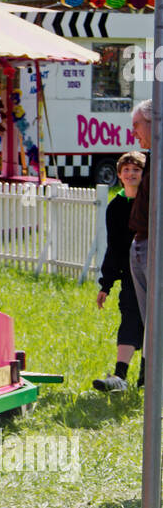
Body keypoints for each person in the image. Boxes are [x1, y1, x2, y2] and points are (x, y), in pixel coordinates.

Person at [93, 151, 145, 391]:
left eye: (136, 170)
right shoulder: (115, 207)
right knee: (129, 320)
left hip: (154, 271)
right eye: (126, 170)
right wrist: (106, 284)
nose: (131, 174)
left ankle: (147, 378)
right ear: (119, 175)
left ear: (144, 175)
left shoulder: (151, 202)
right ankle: (119, 377)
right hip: (130, 275)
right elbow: (113, 246)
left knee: (153, 323)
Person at [129, 99, 153, 334]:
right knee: (151, 324)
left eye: (137, 125)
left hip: (153, 245)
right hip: (141, 243)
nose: (133, 131)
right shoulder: (151, 158)